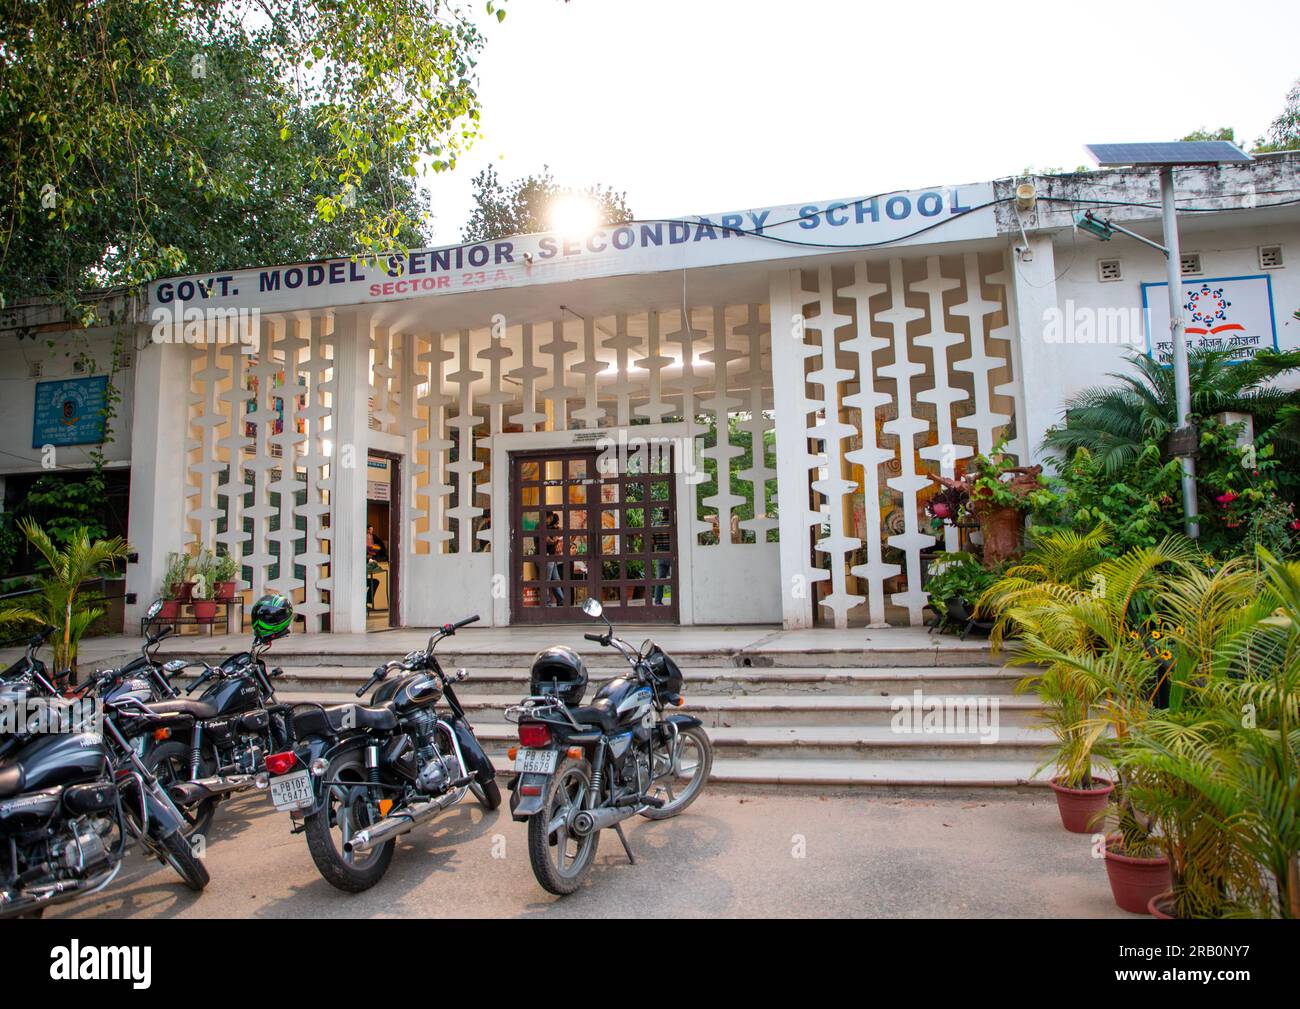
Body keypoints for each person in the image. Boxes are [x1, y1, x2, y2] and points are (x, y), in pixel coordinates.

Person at [544, 512, 565, 606]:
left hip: (551, 557)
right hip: (547, 556)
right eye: (551, 518)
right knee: (547, 581)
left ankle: (562, 601)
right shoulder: (544, 526)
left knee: (556, 580)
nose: (551, 521)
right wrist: (555, 541)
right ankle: (548, 603)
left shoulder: (551, 527)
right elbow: (547, 540)